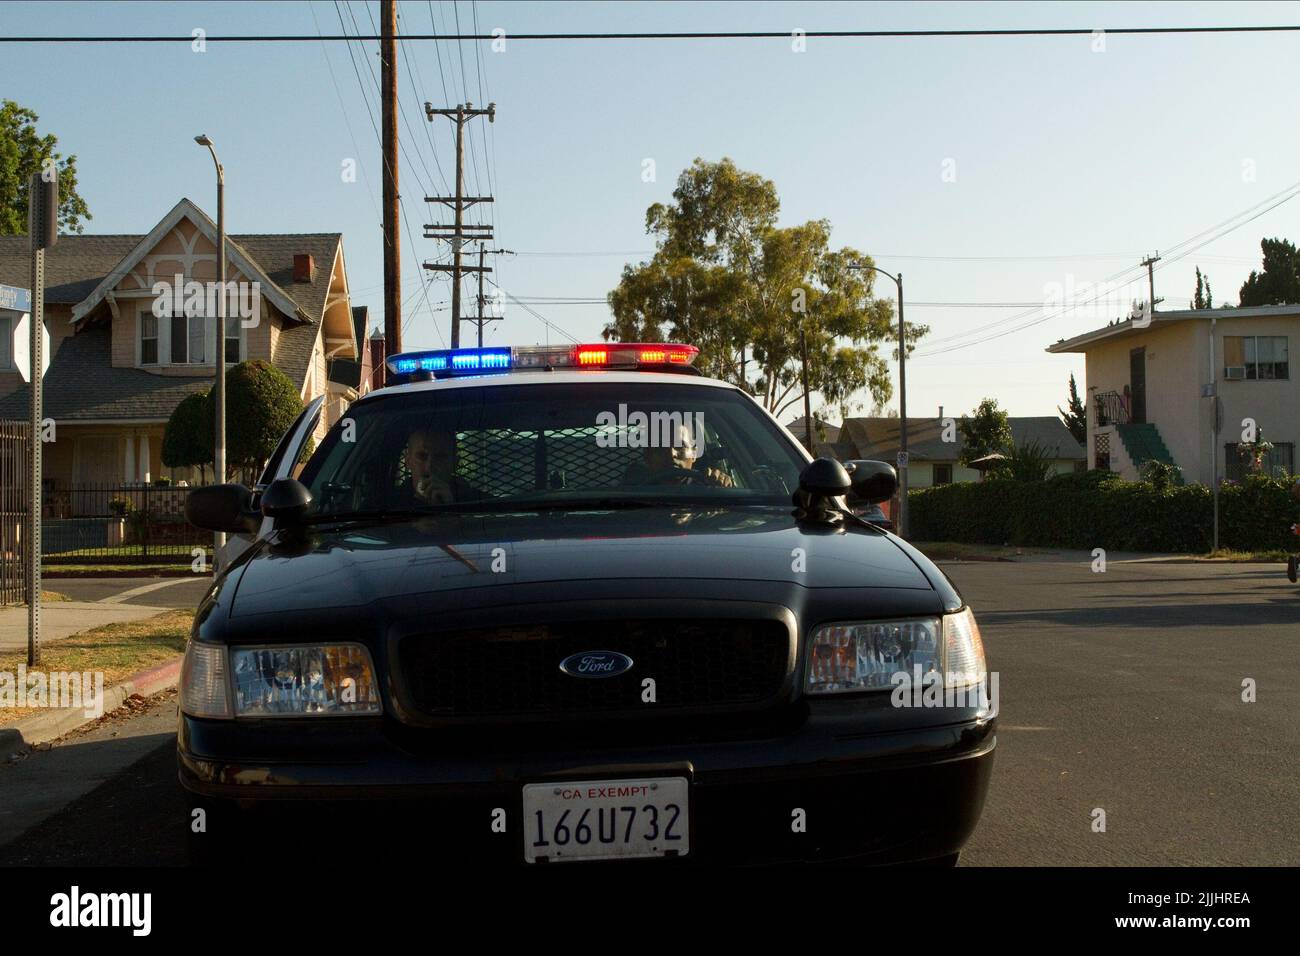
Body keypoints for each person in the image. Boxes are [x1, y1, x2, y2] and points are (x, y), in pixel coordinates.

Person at [620, 418, 734, 488]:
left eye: (680, 446)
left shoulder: (711, 487)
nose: (671, 454)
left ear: (695, 453)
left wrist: (723, 489)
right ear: (647, 455)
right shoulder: (628, 497)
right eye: (661, 447)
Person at [398, 428, 484, 505]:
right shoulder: (391, 504)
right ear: (408, 461)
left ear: (455, 463)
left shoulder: (479, 504)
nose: (429, 467)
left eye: (440, 457)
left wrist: (451, 508)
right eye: (421, 456)